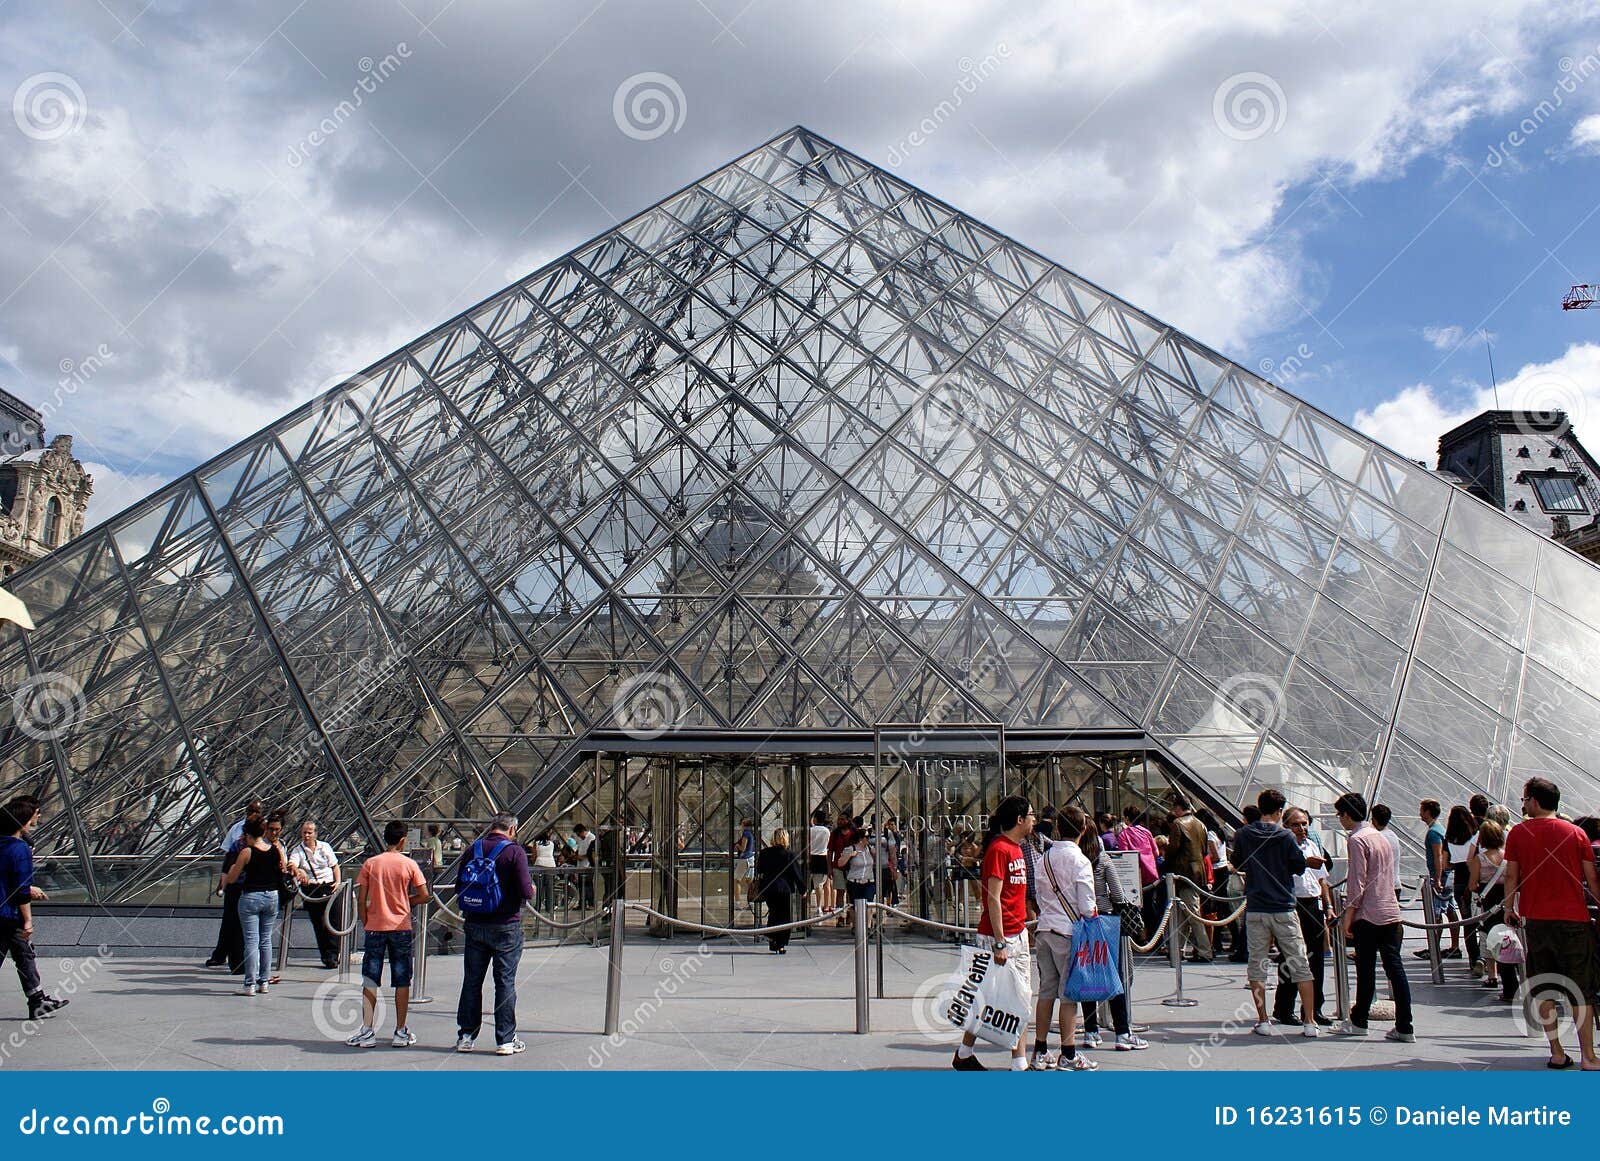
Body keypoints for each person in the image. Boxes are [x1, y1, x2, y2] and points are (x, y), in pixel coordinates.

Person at [1504, 777, 1600, 1070]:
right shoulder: (1576, 833)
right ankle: (1588, 1056)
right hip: (1574, 920)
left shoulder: (1518, 834)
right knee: (1581, 989)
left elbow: (1512, 876)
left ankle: (1557, 1052)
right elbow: (1591, 878)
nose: (1523, 805)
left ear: (1534, 801)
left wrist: (1509, 908)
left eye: (1524, 800)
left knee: (1544, 986)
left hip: (1537, 921)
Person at [953, 796, 1035, 1072]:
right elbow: (993, 898)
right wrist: (1000, 941)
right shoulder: (1000, 850)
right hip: (1002, 936)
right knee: (1017, 996)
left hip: (1015, 931)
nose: (1035, 820)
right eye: (1031, 815)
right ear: (1019, 819)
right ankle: (1019, 1061)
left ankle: (965, 1052)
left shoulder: (1015, 849)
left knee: (991, 996)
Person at [1231, 788, 1317, 1038]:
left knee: (1257, 967)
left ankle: (1263, 1020)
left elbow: (1238, 863)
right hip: (1284, 907)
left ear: (1260, 808)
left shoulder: (1244, 834)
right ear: (1280, 811)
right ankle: (1309, 1022)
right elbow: (1298, 867)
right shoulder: (1285, 836)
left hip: (1257, 907)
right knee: (1300, 964)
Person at [1331, 792, 1414, 1042]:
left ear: (1346, 815)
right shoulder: (1380, 837)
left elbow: (1357, 881)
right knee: (1395, 969)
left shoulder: (1357, 839)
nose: (1339, 820)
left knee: (1365, 970)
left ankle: (1359, 1022)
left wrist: (1348, 915)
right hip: (1390, 910)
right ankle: (1405, 1025)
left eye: (1339, 815)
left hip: (1368, 914)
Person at [455, 813, 534, 1055]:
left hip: (475, 923)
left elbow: (460, 886)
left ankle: (466, 1036)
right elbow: (525, 891)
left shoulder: (473, 849)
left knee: (471, 981)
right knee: (505, 983)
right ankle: (505, 1040)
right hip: (505, 925)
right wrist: (531, 888)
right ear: (512, 829)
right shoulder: (514, 852)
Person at [1029, 804, 1099, 1071]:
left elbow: (1037, 894)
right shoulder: (1080, 861)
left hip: (1044, 929)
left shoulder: (1042, 859)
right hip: (1068, 933)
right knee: (1069, 996)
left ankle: (1040, 1049)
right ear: (1082, 829)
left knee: (1046, 991)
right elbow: (1087, 905)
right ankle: (1068, 1053)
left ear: (1057, 828)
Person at [348, 820, 430, 1048]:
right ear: (403, 840)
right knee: (402, 980)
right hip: (401, 927)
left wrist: (367, 922)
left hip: (375, 927)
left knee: (370, 979)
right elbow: (424, 895)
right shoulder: (409, 864)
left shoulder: (371, 863)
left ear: (385, 838)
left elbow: (362, 900)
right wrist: (406, 902)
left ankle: (367, 1030)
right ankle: (400, 1031)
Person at [1077, 822, 1147, 1050]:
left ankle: (1090, 1031)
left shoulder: (1077, 860)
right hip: (1106, 920)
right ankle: (1122, 1032)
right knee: (1113, 976)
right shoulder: (1103, 860)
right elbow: (1117, 893)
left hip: (1083, 921)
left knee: (1088, 975)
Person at [0, 799, 68, 1021]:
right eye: (36, 814)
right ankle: (37, 1001)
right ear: (24, 820)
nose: (38, 818)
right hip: (8, 914)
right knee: (23, 952)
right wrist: (28, 920)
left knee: (24, 953)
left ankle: (37, 1000)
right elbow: (20, 889)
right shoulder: (19, 848)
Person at [1271, 807, 1332, 1027]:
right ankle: (1284, 1008)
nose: (1302, 828)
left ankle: (1314, 1008)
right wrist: (1305, 863)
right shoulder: (1280, 847)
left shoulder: (1312, 845)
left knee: (1316, 959)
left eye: (1305, 823)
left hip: (1312, 905)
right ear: (1286, 826)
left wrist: (1328, 906)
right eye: (1296, 824)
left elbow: (1322, 880)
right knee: (1290, 958)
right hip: (1291, 905)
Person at [222, 814, 287, 997]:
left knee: (251, 941)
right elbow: (282, 870)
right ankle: (264, 982)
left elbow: (233, 877)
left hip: (251, 897)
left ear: (248, 834)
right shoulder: (275, 849)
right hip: (272, 897)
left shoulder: (247, 852)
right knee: (266, 940)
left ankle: (249, 984)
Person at [206, 798, 261, 970]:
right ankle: (222, 955)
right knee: (229, 920)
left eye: (256, 810)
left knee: (246, 924)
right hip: (236, 882)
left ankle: (241, 959)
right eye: (251, 810)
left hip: (252, 883)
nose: (253, 813)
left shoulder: (264, 829)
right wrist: (222, 882)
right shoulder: (236, 829)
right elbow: (228, 857)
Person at [289, 820, 343, 969]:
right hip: (311, 888)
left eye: (309, 832)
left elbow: (335, 866)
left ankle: (333, 954)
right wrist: (300, 871)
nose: (306, 835)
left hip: (329, 886)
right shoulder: (297, 850)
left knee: (334, 921)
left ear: (315, 834)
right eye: (304, 832)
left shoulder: (325, 847)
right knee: (319, 923)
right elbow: (291, 864)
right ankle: (327, 955)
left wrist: (337, 882)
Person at [1165, 794, 1213, 962]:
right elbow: (1205, 851)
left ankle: (1205, 951)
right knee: (1183, 913)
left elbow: (1173, 849)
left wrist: (1166, 859)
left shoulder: (1178, 824)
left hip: (1183, 873)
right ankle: (1177, 950)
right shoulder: (1201, 824)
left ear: (1178, 807)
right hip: (1198, 873)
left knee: (1192, 913)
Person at [1470, 821, 1514, 999]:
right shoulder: (1507, 858)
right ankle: (1511, 982)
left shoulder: (1479, 859)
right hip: (1505, 902)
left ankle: (1493, 976)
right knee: (1506, 942)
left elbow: (1472, 884)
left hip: (1488, 905)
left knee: (1489, 940)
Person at [1416, 799, 1459, 959]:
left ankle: (1434, 948)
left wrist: (1437, 878)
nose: (1419, 812)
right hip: (1447, 877)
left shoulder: (1434, 832)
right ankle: (1454, 946)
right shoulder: (1439, 829)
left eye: (1421, 809)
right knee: (1450, 910)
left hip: (1440, 877)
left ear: (1428, 811)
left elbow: (1438, 856)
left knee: (1436, 913)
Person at [1444, 804, 1482, 974]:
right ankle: (1485, 957)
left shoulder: (1449, 838)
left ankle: (1473, 961)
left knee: (1467, 922)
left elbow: (1446, 864)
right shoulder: (1476, 835)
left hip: (1460, 882)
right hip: (1476, 880)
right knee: (1483, 918)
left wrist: (1454, 864)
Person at [754, 829, 805, 953]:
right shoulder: (788, 854)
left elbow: (759, 870)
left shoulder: (765, 853)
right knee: (784, 917)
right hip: (784, 889)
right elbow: (796, 874)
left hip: (769, 889)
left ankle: (772, 938)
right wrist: (802, 889)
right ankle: (781, 943)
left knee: (773, 913)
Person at [1227, 803, 1261, 963]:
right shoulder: (1275, 831)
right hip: (1277, 886)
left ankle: (1243, 950)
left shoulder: (1242, 833)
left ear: (1245, 818)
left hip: (1253, 881)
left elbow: (1237, 859)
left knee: (1249, 918)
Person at [1370, 804, 1403, 905]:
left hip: (1383, 889)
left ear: (1374, 820)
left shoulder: (1377, 838)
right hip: (1395, 884)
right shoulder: (1393, 836)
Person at [807, 809, 833, 916]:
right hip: (822, 858)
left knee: (807, 884)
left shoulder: (810, 830)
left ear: (815, 819)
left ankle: (807, 906)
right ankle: (819, 907)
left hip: (810, 857)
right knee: (819, 885)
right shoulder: (827, 831)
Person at [571, 823, 597, 908]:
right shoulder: (580, 839)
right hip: (580, 865)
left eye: (579, 834)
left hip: (588, 864)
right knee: (581, 885)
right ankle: (582, 903)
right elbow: (578, 848)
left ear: (582, 831)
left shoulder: (591, 838)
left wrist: (582, 857)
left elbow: (592, 852)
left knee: (588, 884)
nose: (579, 836)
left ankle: (590, 903)